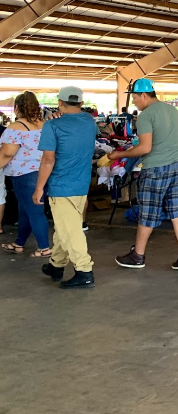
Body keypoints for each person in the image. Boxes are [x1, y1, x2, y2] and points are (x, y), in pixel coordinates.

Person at [101, 79, 178, 271]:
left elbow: (145, 147)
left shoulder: (145, 116)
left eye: (134, 97)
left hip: (156, 169)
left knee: (148, 213)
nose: (134, 101)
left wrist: (119, 154)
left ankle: (138, 256)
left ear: (143, 95)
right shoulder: (173, 112)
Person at [34, 87, 97, 289]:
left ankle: (84, 271)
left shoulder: (52, 126)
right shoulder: (89, 121)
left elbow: (47, 160)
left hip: (61, 186)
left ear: (59, 102)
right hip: (81, 184)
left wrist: (39, 188)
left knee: (71, 230)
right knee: (65, 227)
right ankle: (56, 265)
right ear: (80, 102)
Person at [0, 92, 49, 257]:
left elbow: (7, 153)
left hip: (24, 174)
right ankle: (19, 243)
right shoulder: (44, 125)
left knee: (34, 210)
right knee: (26, 209)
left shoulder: (16, 127)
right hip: (44, 172)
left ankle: (44, 247)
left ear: (16, 108)